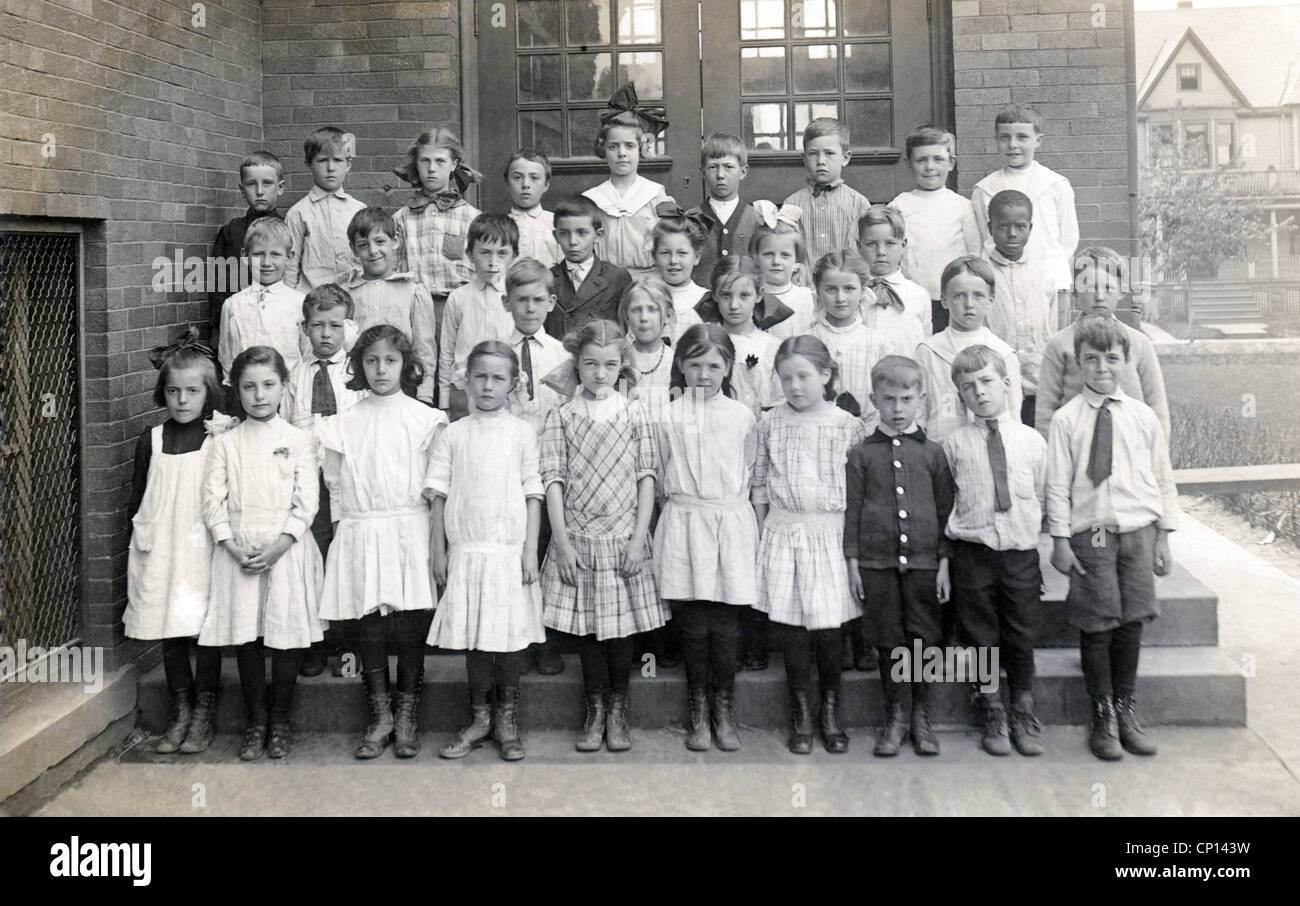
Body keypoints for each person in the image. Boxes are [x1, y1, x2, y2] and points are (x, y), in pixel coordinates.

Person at [1046, 315, 1178, 761]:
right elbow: (1057, 483)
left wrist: (1164, 535)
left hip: (1139, 530)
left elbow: (1162, 477)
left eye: (1112, 358)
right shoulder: (1066, 420)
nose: (1102, 367)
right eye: (1091, 359)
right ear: (1078, 363)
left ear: (1126, 361)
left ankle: (1125, 707)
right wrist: (1060, 540)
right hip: (1093, 532)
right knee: (1098, 621)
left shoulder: (1142, 418)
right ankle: (1101, 713)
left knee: (1132, 619)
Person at [316, 325, 447, 759]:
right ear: (358, 366)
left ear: (406, 365)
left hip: (409, 527)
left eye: (390, 360)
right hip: (362, 528)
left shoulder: (426, 418)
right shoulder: (342, 423)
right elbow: (335, 487)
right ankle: (381, 715)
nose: (381, 369)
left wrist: (433, 542)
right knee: (369, 626)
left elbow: (436, 487)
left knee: (409, 627)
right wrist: (343, 537)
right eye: (371, 361)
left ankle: (407, 715)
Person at [540, 320, 666, 752]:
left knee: (620, 634)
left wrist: (637, 538)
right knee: (590, 633)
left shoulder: (635, 413)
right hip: (579, 537)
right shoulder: (561, 415)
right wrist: (561, 540)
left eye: (609, 365)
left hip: (623, 537)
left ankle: (618, 709)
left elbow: (646, 477)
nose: (599, 373)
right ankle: (594, 709)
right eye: (590, 364)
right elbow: (553, 479)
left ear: (621, 368)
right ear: (576, 365)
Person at [199, 346, 324, 760]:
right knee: (248, 637)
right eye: (249, 387)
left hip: (284, 551)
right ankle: (256, 722)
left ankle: (281, 721)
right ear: (237, 390)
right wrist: (231, 545)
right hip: (239, 552)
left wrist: (280, 545)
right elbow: (212, 501)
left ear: (284, 388)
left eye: (268, 385)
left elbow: (307, 501)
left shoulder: (299, 440)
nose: (259, 395)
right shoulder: (226, 443)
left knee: (284, 637)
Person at [426, 341, 546, 762]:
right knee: (476, 638)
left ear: (514, 384)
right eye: (481, 376)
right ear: (467, 380)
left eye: (498, 378)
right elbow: (437, 494)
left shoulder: (522, 432)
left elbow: (534, 492)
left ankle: (507, 719)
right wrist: (438, 550)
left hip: (509, 551)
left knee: (510, 638)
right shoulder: (454, 433)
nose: (488, 386)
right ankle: (479, 718)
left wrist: (530, 549)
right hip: (468, 551)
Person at [753, 336, 868, 754]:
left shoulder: (848, 426)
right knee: (794, 629)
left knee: (828, 628)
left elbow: (859, 493)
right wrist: (764, 535)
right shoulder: (769, 422)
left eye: (804, 376)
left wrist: (852, 546)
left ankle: (830, 710)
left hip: (831, 535)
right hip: (785, 532)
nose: (795, 386)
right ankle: (800, 709)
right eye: (787, 378)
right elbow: (760, 485)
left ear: (826, 375)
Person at [654, 324, 760, 751]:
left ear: (728, 368)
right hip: (684, 519)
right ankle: (698, 708)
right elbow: (661, 472)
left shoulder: (742, 415)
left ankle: (724, 706)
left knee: (726, 618)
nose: (703, 374)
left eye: (714, 365)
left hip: (729, 521)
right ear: (680, 365)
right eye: (694, 365)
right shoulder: (667, 415)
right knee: (694, 619)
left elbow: (749, 470)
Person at [127, 331, 234, 754]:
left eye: (193, 391)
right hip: (163, 549)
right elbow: (138, 500)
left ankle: (205, 712)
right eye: (173, 391)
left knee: (205, 631)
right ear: (163, 393)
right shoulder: (150, 440)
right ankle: (181, 708)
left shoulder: (219, 439)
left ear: (208, 393)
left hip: (204, 547)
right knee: (170, 632)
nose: (183, 400)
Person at [845, 356, 954, 756]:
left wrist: (944, 562)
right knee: (890, 641)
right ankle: (894, 716)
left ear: (921, 399)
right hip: (877, 565)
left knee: (922, 639)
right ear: (874, 399)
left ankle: (921, 715)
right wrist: (854, 563)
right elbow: (853, 510)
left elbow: (946, 513)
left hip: (925, 564)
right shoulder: (861, 455)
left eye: (906, 399)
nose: (897, 408)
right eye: (888, 399)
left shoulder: (934, 454)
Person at [943, 345, 1048, 757]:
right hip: (974, 553)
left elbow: (1039, 492)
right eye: (968, 387)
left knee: (1021, 632)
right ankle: (991, 708)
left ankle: (1022, 706)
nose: (979, 392)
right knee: (979, 635)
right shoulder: (953, 445)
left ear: (1006, 384)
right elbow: (946, 499)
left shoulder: (1031, 441)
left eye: (987, 381)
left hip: (1020, 553)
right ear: (960, 397)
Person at [282, 284, 367, 678]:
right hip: (309, 481)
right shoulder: (293, 378)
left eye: (335, 325)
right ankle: (318, 642)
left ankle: (350, 650)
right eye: (318, 326)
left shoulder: (359, 374)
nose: (327, 334)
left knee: (346, 560)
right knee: (314, 560)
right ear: (304, 328)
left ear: (349, 326)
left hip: (349, 481)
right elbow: (283, 431)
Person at [1036, 247, 1170, 442]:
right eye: (1090, 287)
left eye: (1108, 288)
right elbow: (1045, 410)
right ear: (1075, 292)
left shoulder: (1139, 343)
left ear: (1121, 291)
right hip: (1076, 443)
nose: (1099, 297)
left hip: (1131, 443)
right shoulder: (1059, 344)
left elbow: (1157, 407)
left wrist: (1155, 454)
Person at [392, 125, 483, 390]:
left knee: (455, 375)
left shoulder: (471, 218)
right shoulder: (401, 218)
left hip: (455, 307)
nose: (432, 168)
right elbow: (395, 268)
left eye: (440, 161)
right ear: (417, 164)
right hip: (414, 307)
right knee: (417, 375)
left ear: (454, 164)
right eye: (425, 161)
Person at [915, 257, 1023, 443]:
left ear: (991, 300)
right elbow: (918, 412)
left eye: (978, 295)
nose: (969, 304)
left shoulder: (1003, 353)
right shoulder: (929, 350)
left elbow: (1013, 415)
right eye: (959, 295)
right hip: (939, 451)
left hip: (989, 452)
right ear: (944, 300)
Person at [972, 104, 1079, 291]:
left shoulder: (1056, 185)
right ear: (996, 140)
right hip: (1002, 281)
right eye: (1005, 137)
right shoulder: (985, 189)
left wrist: (1052, 272)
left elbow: (1068, 239)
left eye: (1022, 137)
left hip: (1048, 281)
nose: (1013, 144)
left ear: (1038, 140)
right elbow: (985, 237)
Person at [889, 126, 981, 333]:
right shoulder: (899, 206)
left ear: (951, 163)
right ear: (909, 164)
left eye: (938, 159)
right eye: (921, 160)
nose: (930, 167)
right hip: (911, 297)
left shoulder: (962, 206)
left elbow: (974, 254)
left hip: (951, 299)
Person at [981, 189, 1060, 426]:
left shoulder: (1045, 272)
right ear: (990, 228)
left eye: (1020, 226)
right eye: (1003, 226)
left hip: (1039, 382)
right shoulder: (981, 273)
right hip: (997, 384)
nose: (1012, 233)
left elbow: (1053, 327)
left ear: (1030, 228)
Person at [344, 206, 438, 404]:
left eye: (380, 242)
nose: (373, 251)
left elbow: (424, 348)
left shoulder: (413, 291)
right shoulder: (348, 293)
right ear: (354, 249)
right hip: (358, 388)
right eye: (363, 245)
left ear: (394, 241)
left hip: (403, 387)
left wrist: (424, 393)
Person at [582, 84, 674, 279]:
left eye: (629, 146)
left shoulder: (655, 195)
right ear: (603, 150)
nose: (622, 153)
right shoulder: (593, 199)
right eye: (613, 146)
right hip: (604, 283)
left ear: (641, 148)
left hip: (649, 281)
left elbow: (669, 244)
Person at [437, 213, 518, 417]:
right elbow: (446, 352)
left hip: (506, 394)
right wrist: (445, 401)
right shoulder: (459, 298)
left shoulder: (517, 297)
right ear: (470, 254)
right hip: (464, 393)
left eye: (502, 253)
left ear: (514, 256)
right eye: (485, 252)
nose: (492, 262)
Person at [217, 216, 311, 390]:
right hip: (248, 399)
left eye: (275, 254)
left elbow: (307, 356)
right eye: (259, 254)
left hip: (290, 396)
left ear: (289, 256)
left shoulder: (300, 303)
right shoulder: (233, 305)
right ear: (245, 255)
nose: (267, 263)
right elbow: (227, 358)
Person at [209, 150, 285, 357]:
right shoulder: (231, 231)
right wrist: (216, 329)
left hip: (280, 320)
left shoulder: (288, 229)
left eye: (267, 183)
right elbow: (219, 282)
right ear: (242, 190)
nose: (260, 191)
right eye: (251, 184)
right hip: (240, 320)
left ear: (281, 187)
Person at [694, 255, 784, 419]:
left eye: (744, 296)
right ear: (714, 294)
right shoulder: (706, 342)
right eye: (726, 295)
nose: (734, 305)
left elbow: (778, 404)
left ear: (758, 295)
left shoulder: (772, 347)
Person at [809, 250, 887, 426]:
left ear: (862, 290)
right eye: (831, 289)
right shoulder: (808, 340)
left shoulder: (877, 342)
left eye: (849, 289)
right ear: (818, 290)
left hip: (867, 434)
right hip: (817, 429)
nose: (840, 298)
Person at [283, 127, 366, 291]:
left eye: (337, 160)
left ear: (348, 164)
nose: (330, 168)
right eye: (322, 160)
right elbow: (290, 267)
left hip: (353, 298)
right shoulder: (298, 213)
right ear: (309, 164)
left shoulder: (359, 210)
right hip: (311, 303)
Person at [781, 117, 871, 266]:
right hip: (804, 286)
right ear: (804, 159)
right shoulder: (792, 204)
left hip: (843, 285)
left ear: (845, 158)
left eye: (829, 153)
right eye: (813, 153)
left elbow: (866, 253)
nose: (821, 161)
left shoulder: (859, 204)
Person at [545, 196, 634, 339]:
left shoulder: (617, 278)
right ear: (555, 236)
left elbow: (626, 329)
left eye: (582, 233)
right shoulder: (546, 279)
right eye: (564, 234)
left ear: (598, 235)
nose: (573, 242)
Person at [857, 204, 931, 352]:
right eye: (871, 244)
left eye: (890, 243)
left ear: (903, 245)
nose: (881, 252)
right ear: (859, 246)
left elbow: (924, 344)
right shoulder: (852, 292)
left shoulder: (918, 295)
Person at [693, 132, 760, 285]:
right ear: (703, 172)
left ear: (742, 172)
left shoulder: (756, 218)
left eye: (728, 167)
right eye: (712, 167)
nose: (720, 175)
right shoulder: (691, 218)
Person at [749, 202, 816, 337]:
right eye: (769, 254)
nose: (776, 262)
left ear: (796, 261)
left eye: (785, 255)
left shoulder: (807, 299)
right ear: (755, 257)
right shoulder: (751, 297)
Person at [650, 202, 708, 341]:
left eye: (682, 253)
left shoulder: (707, 301)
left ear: (696, 257)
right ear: (654, 256)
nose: (673, 260)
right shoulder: (648, 297)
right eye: (665, 253)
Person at [505, 149, 561, 267]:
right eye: (517, 177)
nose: (525, 184)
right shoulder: (499, 226)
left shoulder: (555, 223)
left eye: (534, 178)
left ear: (546, 185)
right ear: (508, 184)